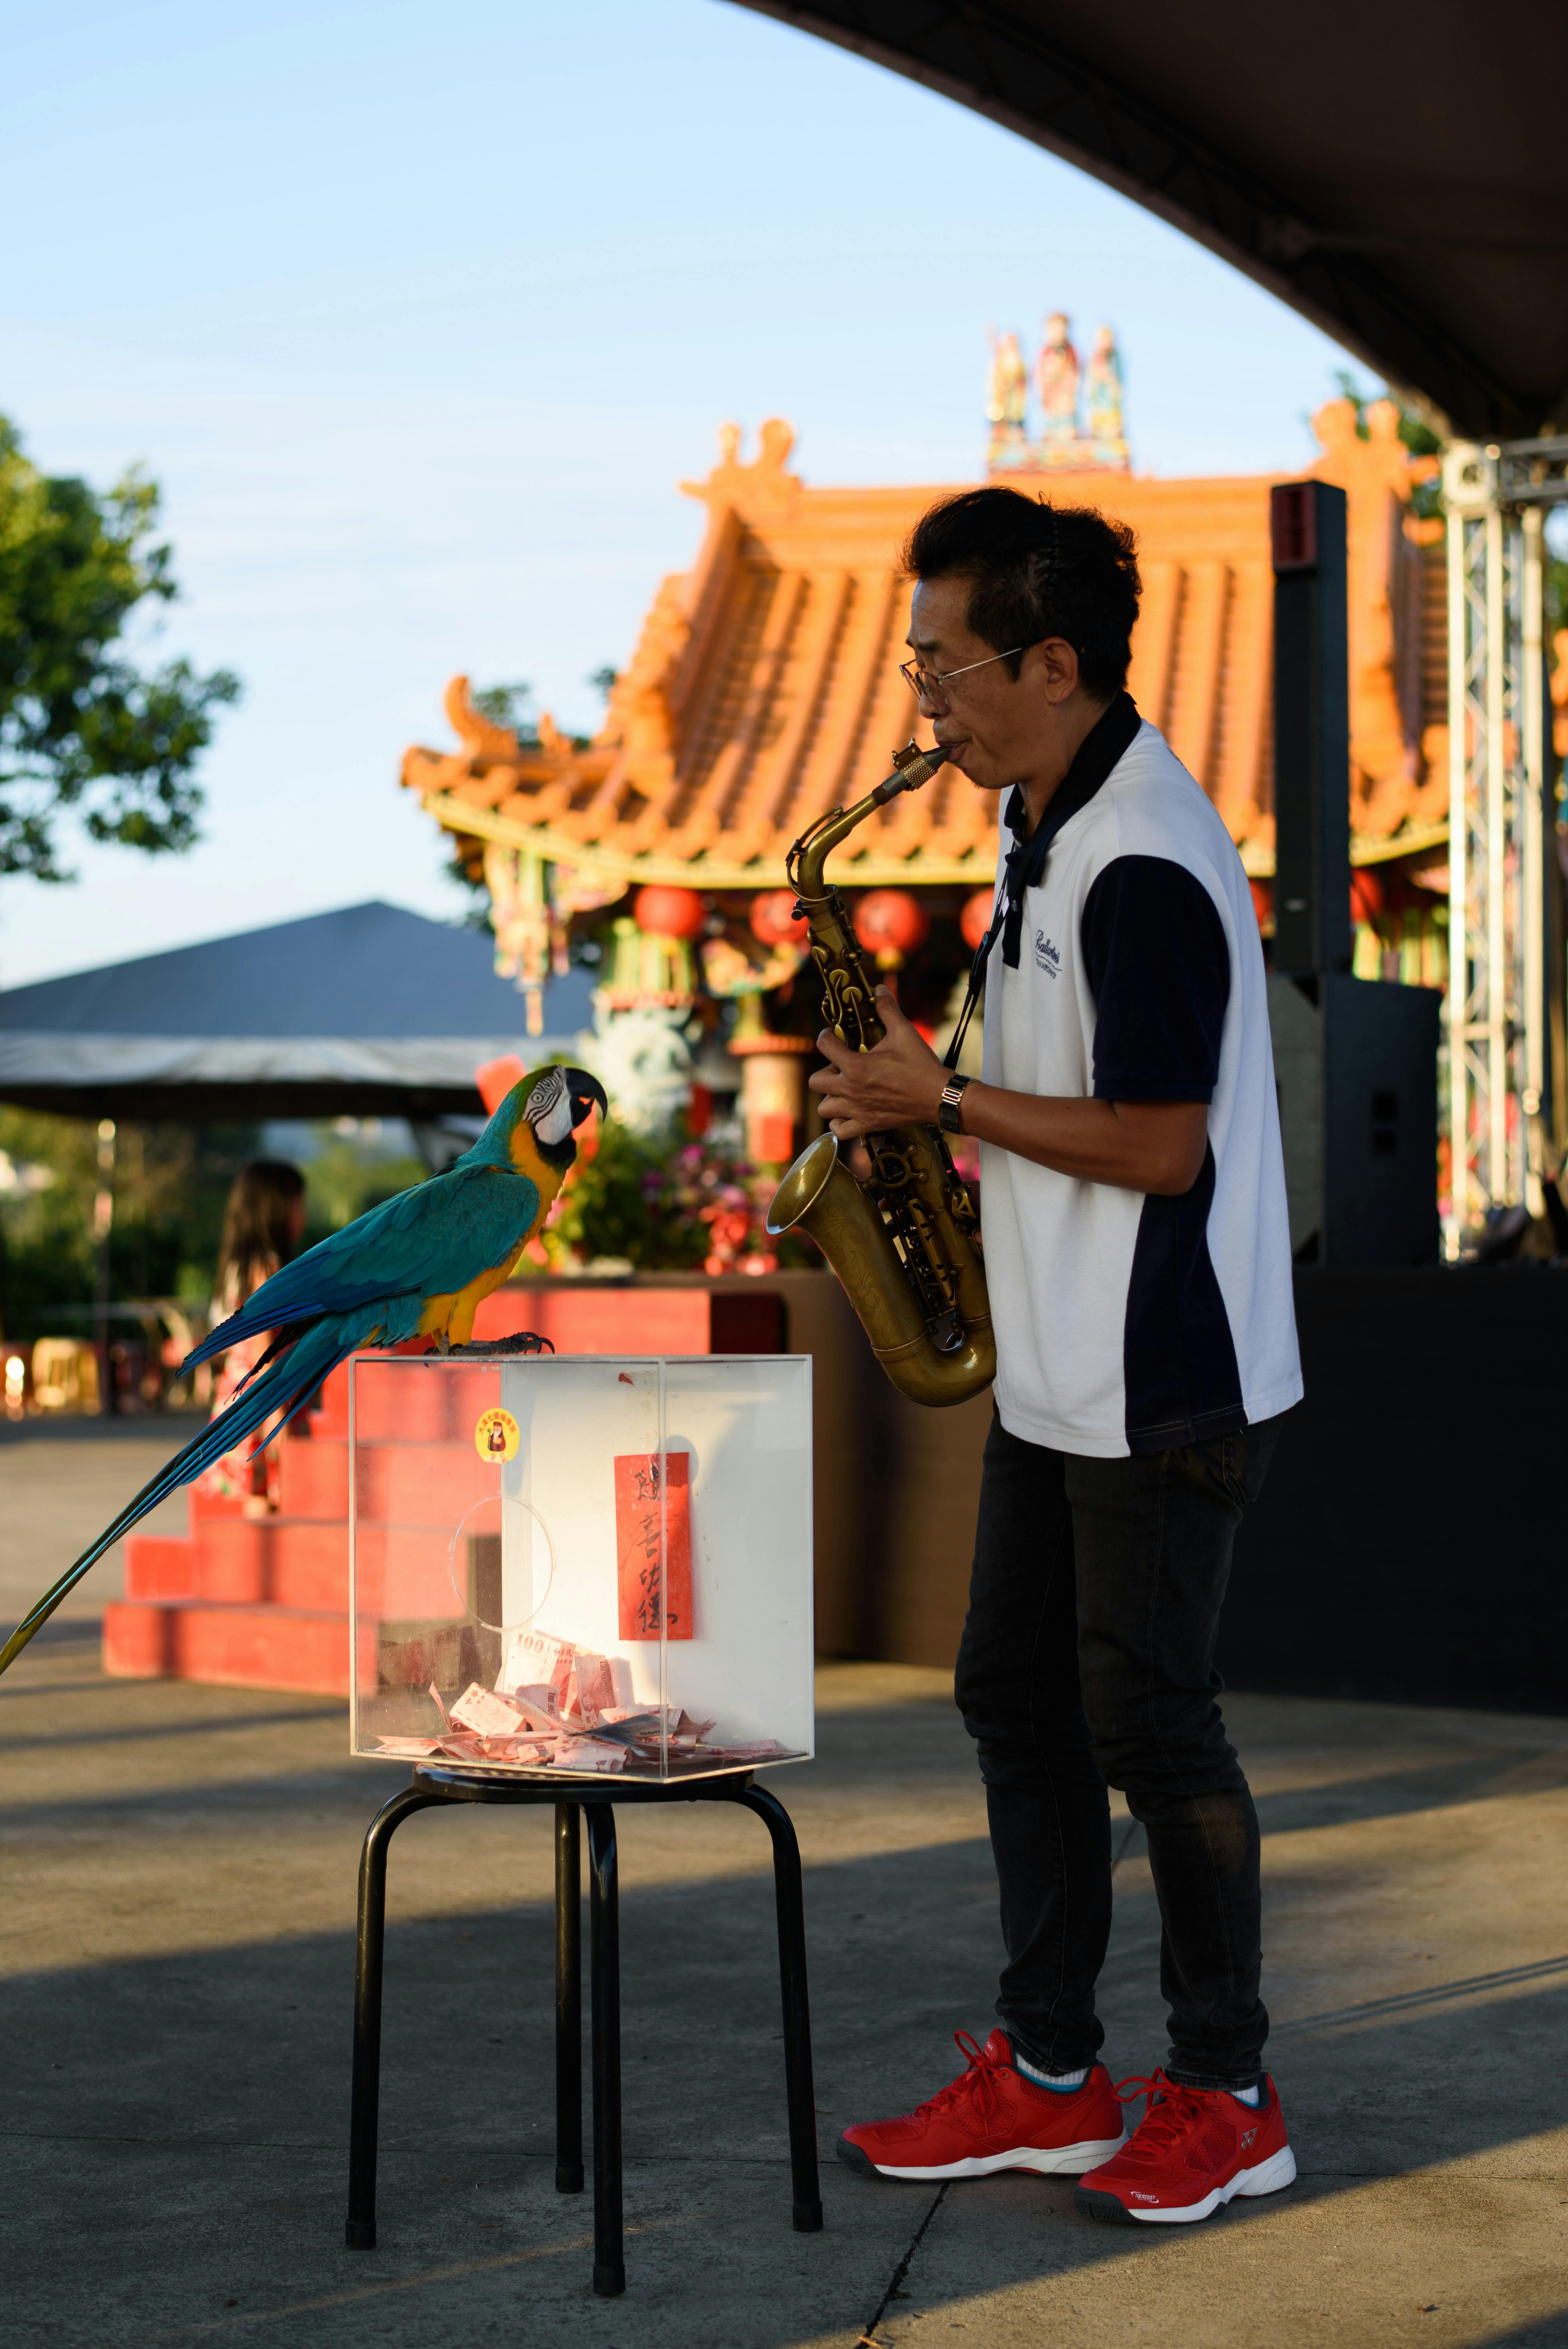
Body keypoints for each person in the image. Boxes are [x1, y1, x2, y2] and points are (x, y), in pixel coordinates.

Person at [812, 487, 1302, 2227]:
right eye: (915, 663)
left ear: (1051, 659)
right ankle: (1041, 2070)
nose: (920, 700)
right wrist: (918, 1081)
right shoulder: (1035, 820)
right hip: (1055, 1367)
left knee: (1152, 1728)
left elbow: (1163, 1145)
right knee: (1013, 1697)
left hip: (1157, 1370)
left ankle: (1224, 2088)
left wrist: (933, 1099)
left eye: (942, 665)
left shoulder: (1142, 858)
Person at [196, 1159, 307, 1516]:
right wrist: (278, 1416)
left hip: (242, 1393)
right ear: (273, 1209)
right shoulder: (265, 1267)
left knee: (258, 1495)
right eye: (297, 1205)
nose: (302, 1215)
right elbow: (263, 1348)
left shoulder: (240, 1265)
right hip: (262, 1396)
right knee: (266, 1501)